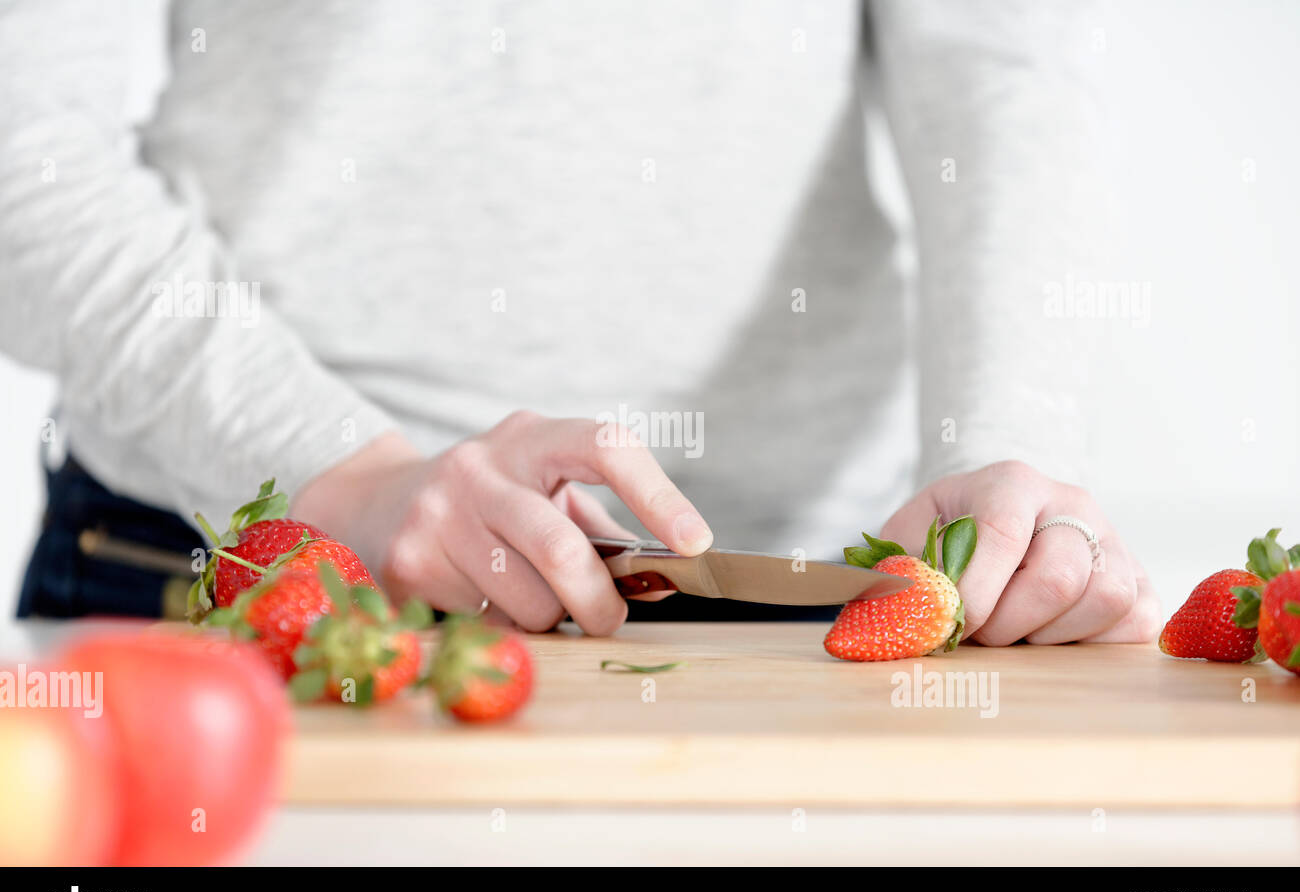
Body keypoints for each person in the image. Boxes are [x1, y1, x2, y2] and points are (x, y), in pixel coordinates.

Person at [0, 0, 1160, 644]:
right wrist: (337, 471)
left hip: (807, 591)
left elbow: (1007, 68)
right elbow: (22, 140)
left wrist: (1005, 443)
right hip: (235, 562)